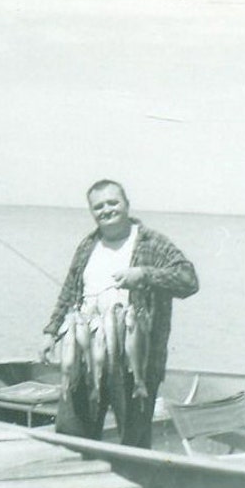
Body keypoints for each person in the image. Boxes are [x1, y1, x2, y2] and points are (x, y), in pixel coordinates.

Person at [41, 179, 199, 447]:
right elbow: (69, 291)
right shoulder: (88, 245)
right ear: (92, 212)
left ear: (127, 204)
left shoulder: (152, 242)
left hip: (134, 359)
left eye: (112, 202)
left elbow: (189, 280)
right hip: (86, 351)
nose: (106, 210)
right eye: (98, 206)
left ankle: (132, 474)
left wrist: (144, 275)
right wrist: (51, 332)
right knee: (71, 433)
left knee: (133, 440)